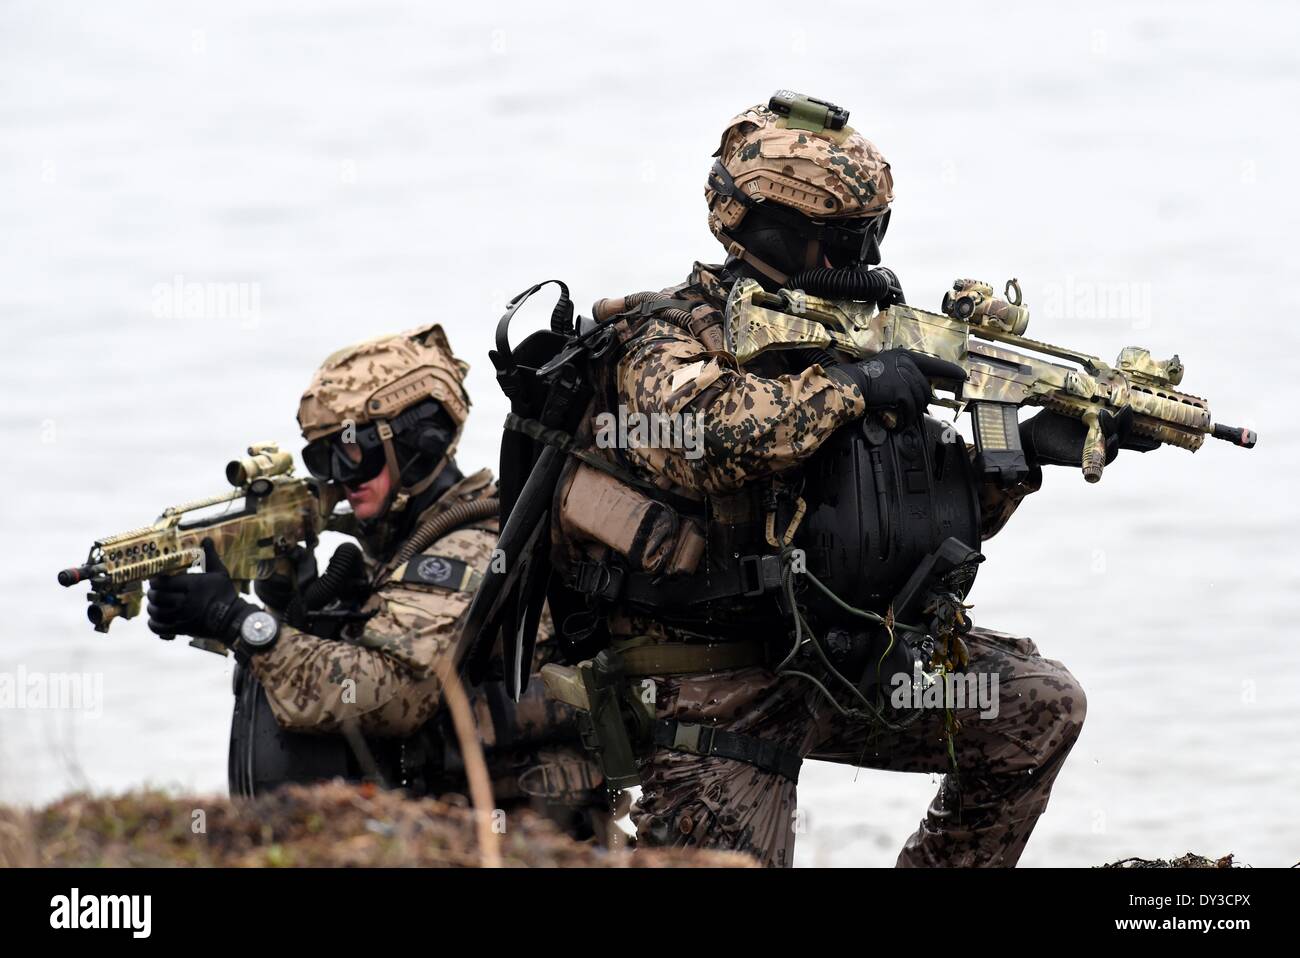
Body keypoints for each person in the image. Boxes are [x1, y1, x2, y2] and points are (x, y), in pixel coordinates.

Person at [528, 93, 1146, 866]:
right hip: (706, 686)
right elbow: (710, 439)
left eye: (872, 233)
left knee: (1038, 706)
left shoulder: (849, 333)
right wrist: (854, 386)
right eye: (847, 236)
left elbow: (902, 525)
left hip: (831, 661)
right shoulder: (663, 336)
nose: (862, 257)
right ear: (774, 230)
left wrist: (1020, 454)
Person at [146, 324, 608, 839]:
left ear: (419, 441)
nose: (342, 477)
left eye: (354, 452)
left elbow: (392, 694)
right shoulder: (401, 551)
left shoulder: (474, 547)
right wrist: (292, 608)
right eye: (324, 459)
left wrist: (239, 622)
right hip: (452, 828)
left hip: (523, 836)